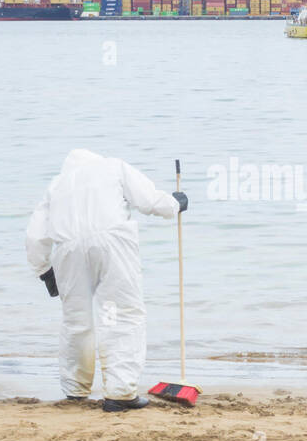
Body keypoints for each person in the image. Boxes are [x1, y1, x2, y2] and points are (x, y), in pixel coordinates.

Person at [25, 150, 187, 412]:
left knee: (77, 320)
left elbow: (35, 235)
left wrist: (44, 270)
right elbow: (149, 201)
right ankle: (120, 392)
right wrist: (175, 204)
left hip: (67, 250)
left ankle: (75, 390)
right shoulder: (113, 167)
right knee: (121, 314)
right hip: (112, 243)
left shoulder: (56, 185)